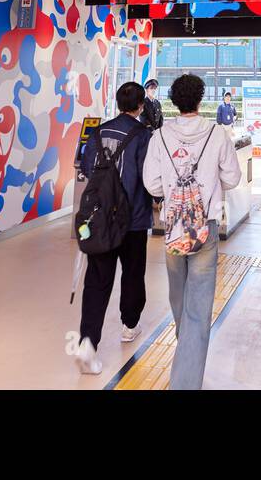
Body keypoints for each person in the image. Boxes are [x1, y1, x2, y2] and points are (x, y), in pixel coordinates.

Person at [142, 73, 241, 389]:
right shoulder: (217, 134)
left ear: (173, 100)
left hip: (173, 227)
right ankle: (186, 377)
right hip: (205, 226)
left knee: (178, 294)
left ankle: (186, 347)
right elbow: (233, 178)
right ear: (200, 99)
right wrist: (209, 187)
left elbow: (152, 183)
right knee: (198, 305)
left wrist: (174, 193)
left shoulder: (159, 136)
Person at [74, 81, 154, 376]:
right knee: (133, 274)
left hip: (99, 222)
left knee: (97, 281)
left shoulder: (97, 132)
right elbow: (149, 177)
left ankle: (87, 343)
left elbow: (85, 168)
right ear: (141, 105)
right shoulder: (143, 136)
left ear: (119, 103)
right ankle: (129, 325)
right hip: (133, 222)